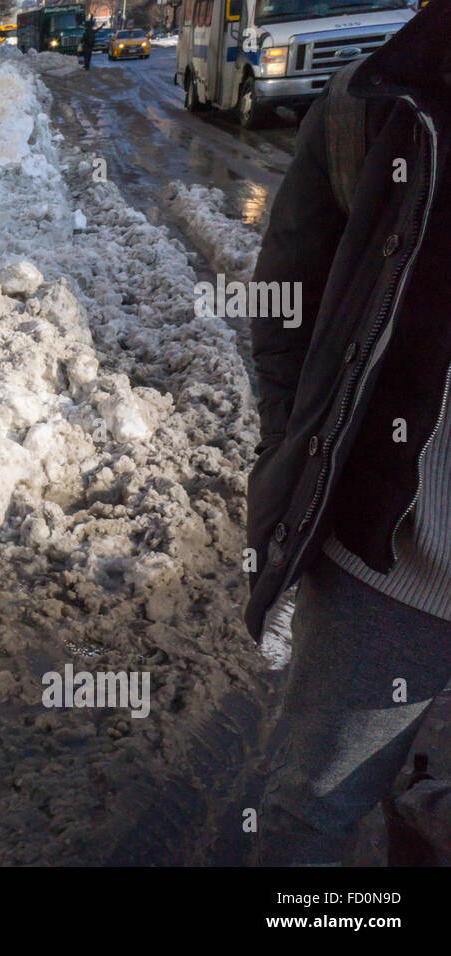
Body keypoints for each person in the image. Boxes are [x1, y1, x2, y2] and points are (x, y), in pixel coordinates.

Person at [246, 1, 451, 865]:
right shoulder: (378, 105)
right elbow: (281, 310)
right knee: (308, 821)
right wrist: (305, 464)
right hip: (393, 561)